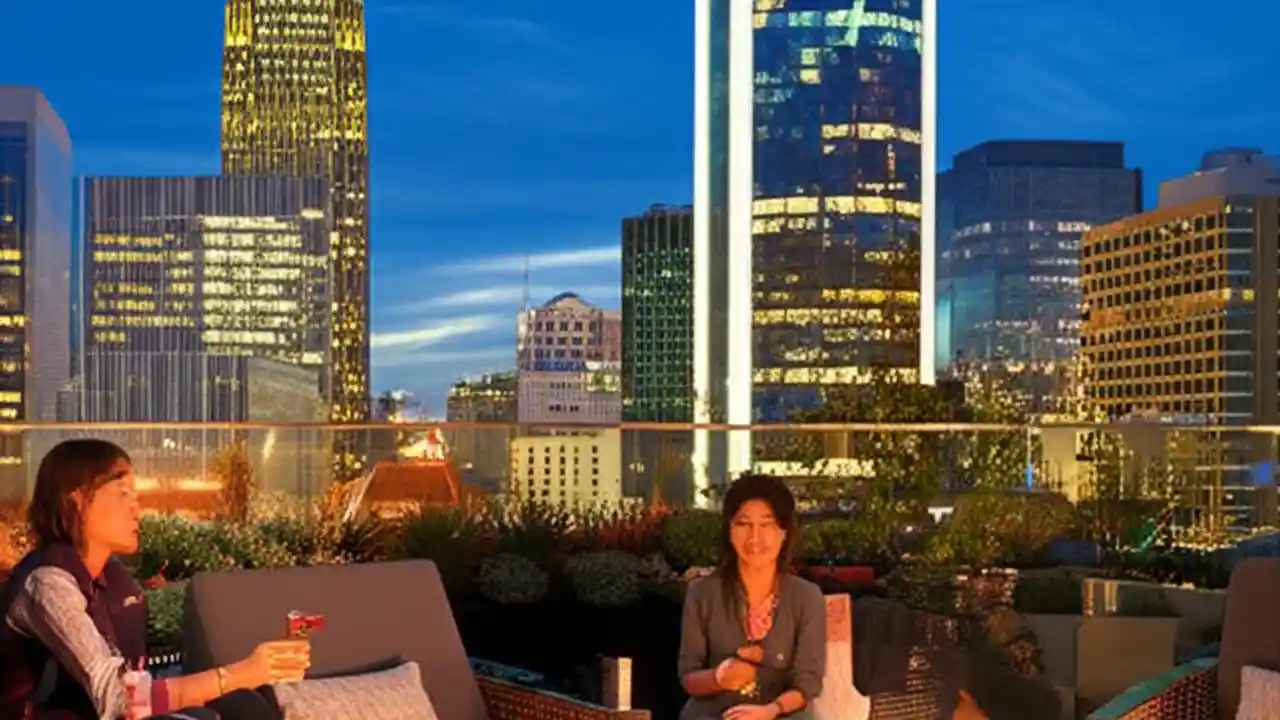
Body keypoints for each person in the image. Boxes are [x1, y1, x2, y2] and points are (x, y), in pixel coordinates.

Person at [0, 439, 310, 720]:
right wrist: (238, 674)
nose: (137, 508)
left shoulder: (110, 576)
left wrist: (244, 677)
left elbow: (140, 673)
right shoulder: (48, 584)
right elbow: (119, 697)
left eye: (135, 495)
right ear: (77, 500)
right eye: (122, 493)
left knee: (244, 705)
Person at [677, 474, 826, 720]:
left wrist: (770, 711)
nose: (754, 537)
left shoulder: (807, 597)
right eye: (743, 524)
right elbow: (688, 676)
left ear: (784, 532)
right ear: (729, 529)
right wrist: (719, 678)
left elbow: (807, 683)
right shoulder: (701, 593)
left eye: (767, 524)